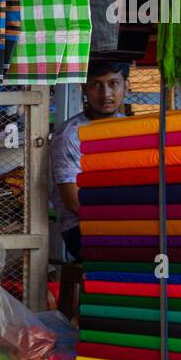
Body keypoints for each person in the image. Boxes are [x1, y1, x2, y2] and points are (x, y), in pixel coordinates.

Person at [49, 58, 130, 261]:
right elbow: (74, 203)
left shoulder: (134, 129)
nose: (106, 94)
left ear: (126, 87)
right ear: (84, 89)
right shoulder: (69, 136)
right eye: (95, 85)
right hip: (82, 229)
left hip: (130, 223)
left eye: (113, 84)